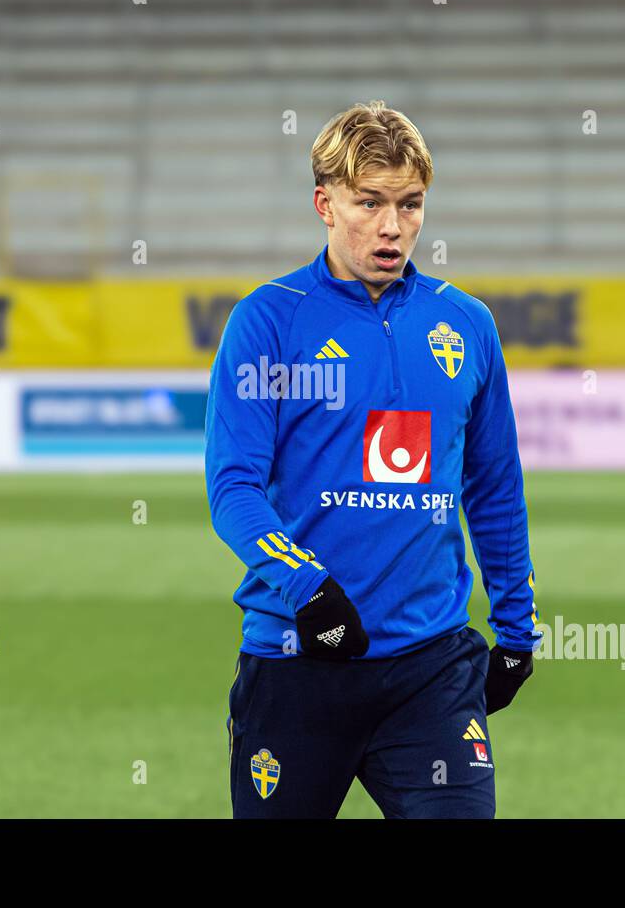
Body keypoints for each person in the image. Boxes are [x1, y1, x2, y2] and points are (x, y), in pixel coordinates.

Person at [204, 100, 539, 818]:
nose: (393, 227)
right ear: (325, 204)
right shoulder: (268, 321)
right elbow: (233, 489)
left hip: (431, 672)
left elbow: (495, 489)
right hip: (296, 664)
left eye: (411, 204)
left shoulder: (467, 325)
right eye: (370, 203)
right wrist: (307, 588)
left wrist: (515, 628)